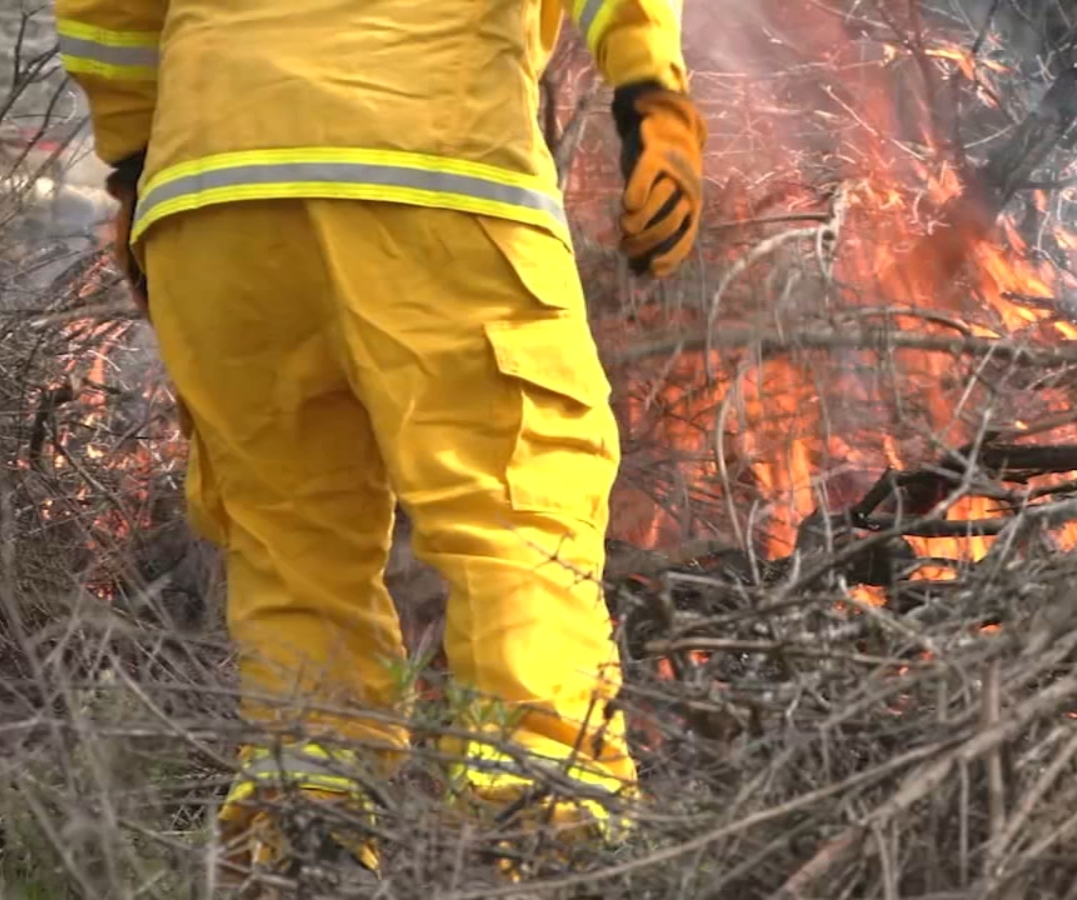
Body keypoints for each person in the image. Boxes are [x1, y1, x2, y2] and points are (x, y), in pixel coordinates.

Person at [52, 0, 706, 878]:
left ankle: (306, 836)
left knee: (288, 540)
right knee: (514, 512)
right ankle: (545, 826)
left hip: (211, 194)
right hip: (435, 171)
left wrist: (136, 164)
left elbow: (104, 15)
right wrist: (651, 95)